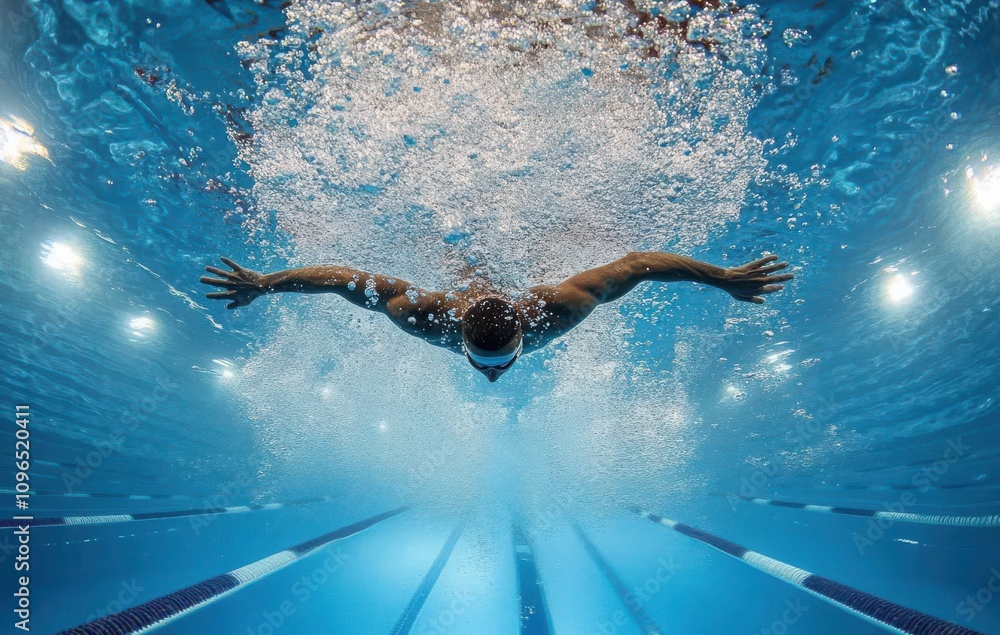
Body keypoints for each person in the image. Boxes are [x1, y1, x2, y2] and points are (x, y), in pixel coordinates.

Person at [201, 252, 793, 382]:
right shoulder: (553, 312)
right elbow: (637, 265)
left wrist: (266, 284)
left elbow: (342, 282)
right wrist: (721, 279)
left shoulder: (421, 315)